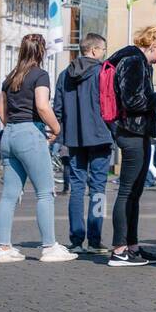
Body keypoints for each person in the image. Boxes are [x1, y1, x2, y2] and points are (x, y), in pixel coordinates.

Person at [0, 33, 76, 263]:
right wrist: (57, 128)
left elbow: (1, 110)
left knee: (9, 195)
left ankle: (4, 248)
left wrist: (13, 127)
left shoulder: (10, 78)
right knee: (45, 193)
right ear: (41, 52)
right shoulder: (40, 75)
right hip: (30, 134)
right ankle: (49, 247)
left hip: (9, 136)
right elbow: (42, 105)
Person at [105, 25, 156, 267]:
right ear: (153, 44)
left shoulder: (133, 59)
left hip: (134, 131)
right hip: (131, 130)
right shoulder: (133, 60)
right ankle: (120, 249)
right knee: (127, 192)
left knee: (134, 193)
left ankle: (131, 246)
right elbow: (133, 100)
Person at [52, 32, 114, 255]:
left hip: (74, 138)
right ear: (95, 50)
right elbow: (110, 106)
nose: (104, 54)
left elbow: (57, 109)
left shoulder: (64, 75)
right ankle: (95, 239)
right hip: (100, 136)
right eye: (103, 50)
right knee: (98, 188)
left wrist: (60, 136)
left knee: (77, 188)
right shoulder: (103, 72)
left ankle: (76, 239)